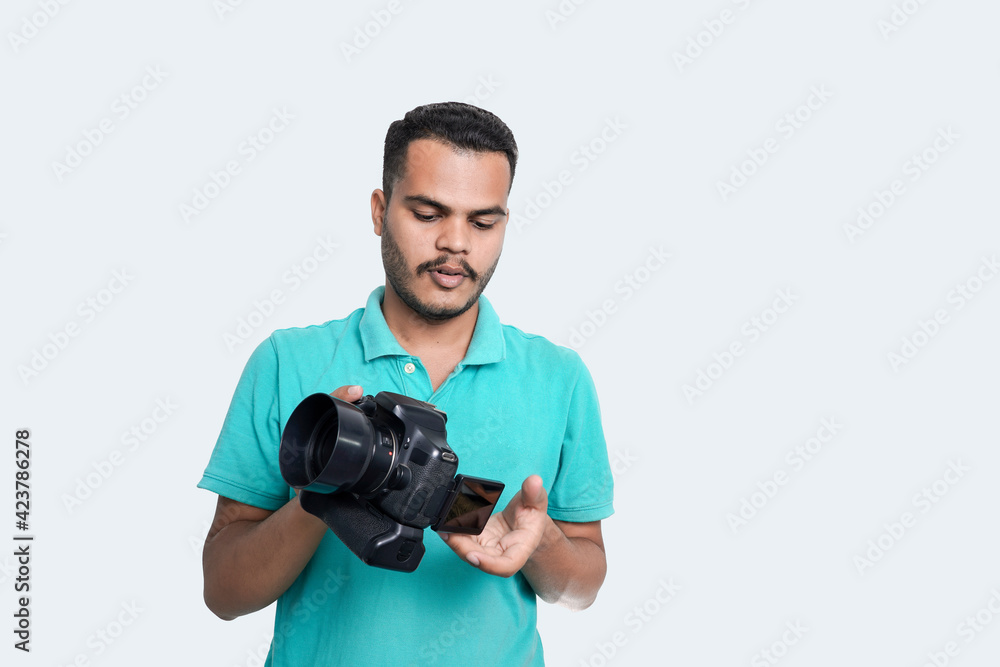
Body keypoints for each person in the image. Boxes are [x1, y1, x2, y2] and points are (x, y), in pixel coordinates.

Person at [198, 102, 614, 666]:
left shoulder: (558, 376)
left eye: (482, 221)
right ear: (379, 210)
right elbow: (223, 593)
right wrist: (321, 493)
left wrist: (538, 539)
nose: (456, 243)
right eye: (428, 213)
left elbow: (582, 587)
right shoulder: (286, 361)